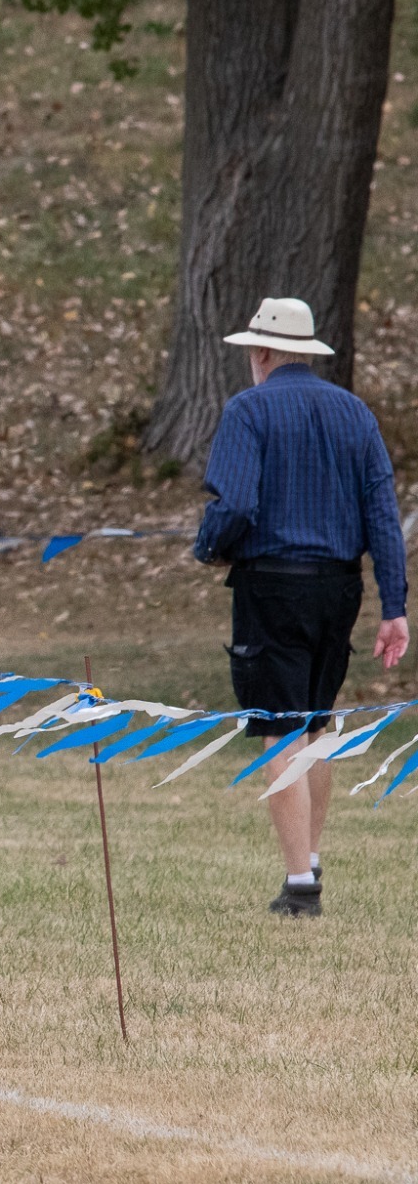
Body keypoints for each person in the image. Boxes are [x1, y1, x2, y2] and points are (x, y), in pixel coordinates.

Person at [194, 297, 408, 918]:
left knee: (279, 728)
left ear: (260, 353)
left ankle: (299, 887)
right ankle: (309, 862)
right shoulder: (355, 414)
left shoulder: (247, 410)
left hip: (272, 586)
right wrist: (394, 605)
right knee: (317, 723)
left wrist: (209, 547)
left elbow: (233, 505)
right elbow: (382, 518)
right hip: (341, 587)